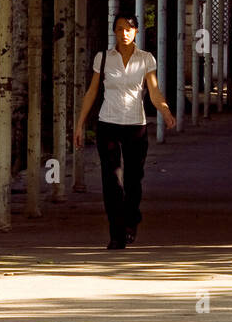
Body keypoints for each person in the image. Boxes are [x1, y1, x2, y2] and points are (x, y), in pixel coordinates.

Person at [73, 14, 177, 249]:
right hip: (107, 124)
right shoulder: (103, 58)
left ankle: (131, 220)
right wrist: (80, 124)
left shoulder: (146, 59)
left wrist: (165, 110)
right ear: (114, 32)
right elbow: (91, 92)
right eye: (120, 29)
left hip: (135, 126)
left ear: (136, 32)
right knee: (112, 181)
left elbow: (154, 91)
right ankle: (116, 233)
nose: (124, 33)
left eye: (129, 29)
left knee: (133, 180)